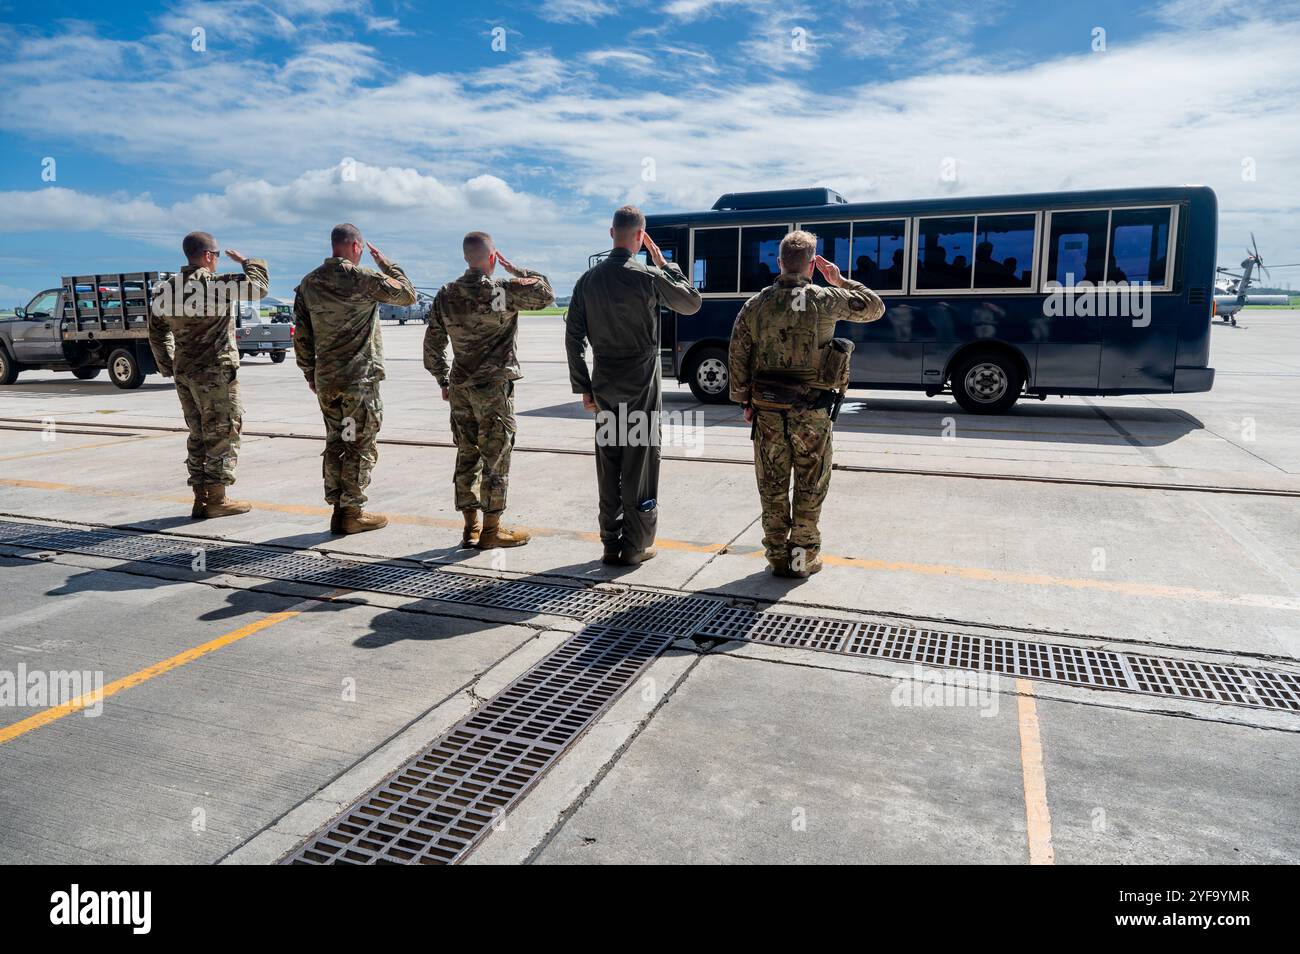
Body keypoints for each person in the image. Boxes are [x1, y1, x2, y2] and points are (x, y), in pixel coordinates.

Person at [728, 230, 885, 578]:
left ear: (780, 262)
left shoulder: (755, 305)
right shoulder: (826, 299)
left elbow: (738, 355)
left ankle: (777, 557)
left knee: (771, 483)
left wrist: (744, 401)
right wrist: (840, 279)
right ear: (812, 265)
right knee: (811, 484)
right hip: (813, 413)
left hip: (768, 413)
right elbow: (875, 307)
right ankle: (803, 559)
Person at [565, 206, 701, 565]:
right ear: (640, 238)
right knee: (639, 463)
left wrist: (584, 386)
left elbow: (573, 339)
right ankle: (635, 545)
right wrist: (668, 266)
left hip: (604, 386)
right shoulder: (649, 276)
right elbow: (691, 303)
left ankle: (611, 541)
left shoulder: (586, 281)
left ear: (612, 234)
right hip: (640, 387)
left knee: (608, 463)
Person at [424, 232, 554, 548]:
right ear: (493, 258)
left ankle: (470, 528)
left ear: (466, 258)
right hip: (494, 389)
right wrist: (518, 271)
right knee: (495, 460)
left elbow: (432, 347)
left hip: (460, 388)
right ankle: (492, 532)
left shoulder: (446, 294)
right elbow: (546, 293)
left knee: (467, 454)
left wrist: (443, 380)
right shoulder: (504, 291)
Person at [293, 223, 416, 534]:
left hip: (327, 380)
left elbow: (302, 336)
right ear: (357, 247)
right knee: (359, 443)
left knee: (337, 440)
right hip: (358, 380)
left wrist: (310, 372)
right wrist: (388, 265)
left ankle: (338, 508)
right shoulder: (363, 279)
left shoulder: (309, 283)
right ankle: (354, 512)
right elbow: (408, 296)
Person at [148, 231, 268, 519]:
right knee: (223, 431)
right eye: (214, 256)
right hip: (216, 372)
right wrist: (249, 262)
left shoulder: (165, 289)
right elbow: (258, 288)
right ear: (208, 256)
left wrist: (167, 364)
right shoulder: (216, 285)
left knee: (199, 433)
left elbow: (156, 332)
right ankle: (217, 499)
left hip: (185, 372)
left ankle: (201, 498)